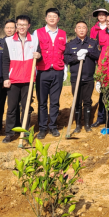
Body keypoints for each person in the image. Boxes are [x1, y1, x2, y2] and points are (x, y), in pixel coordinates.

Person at [2, 15, 40, 143]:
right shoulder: (8, 41)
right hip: (13, 79)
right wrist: (6, 78)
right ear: (16, 26)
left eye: (24, 25)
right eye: (19, 25)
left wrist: (38, 55)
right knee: (12, 108)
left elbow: (39, 56)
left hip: (28, 79)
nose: (22, 27)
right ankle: (10, 133)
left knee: (26, 107)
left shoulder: (35, 40)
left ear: (29, 26)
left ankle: (25, 131)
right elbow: (5, 61)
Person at [34, 8, 67, 139]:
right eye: (49, 16)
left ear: (58, 19)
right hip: (42, 71)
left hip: (57, 71)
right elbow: (33, 50)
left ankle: (53, 126)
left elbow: (64, 54)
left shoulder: (63, 34)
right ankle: (42, 128)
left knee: (54, 102)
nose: (52, 18)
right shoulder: (37, 33)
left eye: (55, 16)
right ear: (46, 18)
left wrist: (65, 70)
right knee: (42, 102)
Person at [64, 21, 101, 133]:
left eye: (84, 27)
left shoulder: (92, 43)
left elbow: (98, 56)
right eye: (79, 27)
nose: (81, 30)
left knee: (87, 101)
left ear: (87, 29)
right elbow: (66, 59)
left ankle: (87, 125)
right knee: (77, 101)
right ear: (75, 30)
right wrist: (76, 57)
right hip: (76, 78)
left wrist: (88, 53)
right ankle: (78, 125)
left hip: (88, 77)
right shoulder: (70, 45)